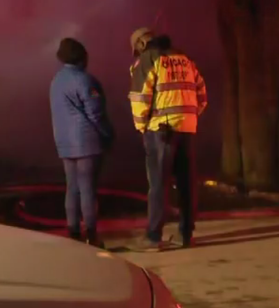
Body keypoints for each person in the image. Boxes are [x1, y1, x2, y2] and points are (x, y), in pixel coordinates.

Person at [126, 27, 208, 252]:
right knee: (187, 183)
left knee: (158, 186)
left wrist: (142, 126)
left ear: (142, 44)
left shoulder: (148, 59)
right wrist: (189, 116)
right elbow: (202, 94)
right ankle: (186, 234)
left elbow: (140, 98)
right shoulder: (184, 58)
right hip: (187, 128)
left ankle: (154, 237)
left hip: (161, 130)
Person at [49, 38, 114, 247]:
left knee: (72, 187)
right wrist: (108, 134)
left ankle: (73, 233)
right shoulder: (86, 80)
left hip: (65, 143)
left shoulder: (56, 81)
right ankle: (92, 235)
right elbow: (96, 114)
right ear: (81, 57)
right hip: (87, 142)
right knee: (88, 188)